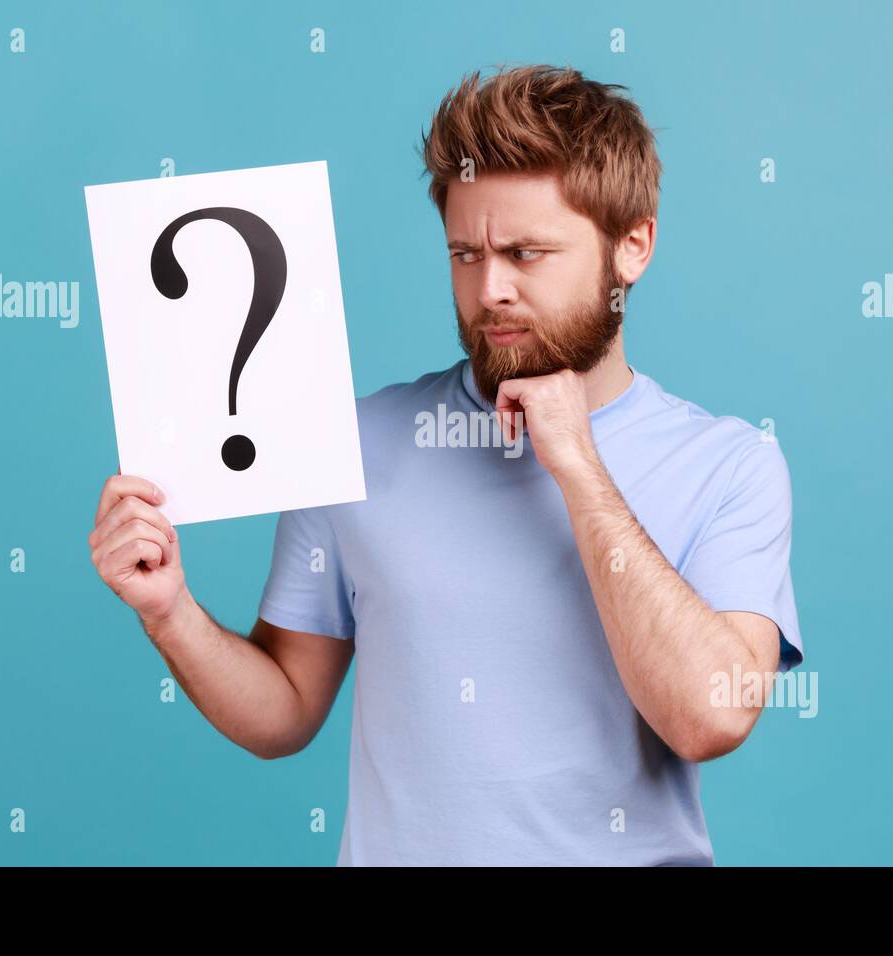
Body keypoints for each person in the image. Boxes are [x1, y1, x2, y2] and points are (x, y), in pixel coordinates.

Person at [88, 64, 804, 865]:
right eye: (466, 253)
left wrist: (575, 464)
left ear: (632, 246)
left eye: (528, 254)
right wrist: (168, 610)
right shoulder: (353, 444)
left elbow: (711, 715)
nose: (489, 288)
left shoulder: (731, 466)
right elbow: (284, 710)